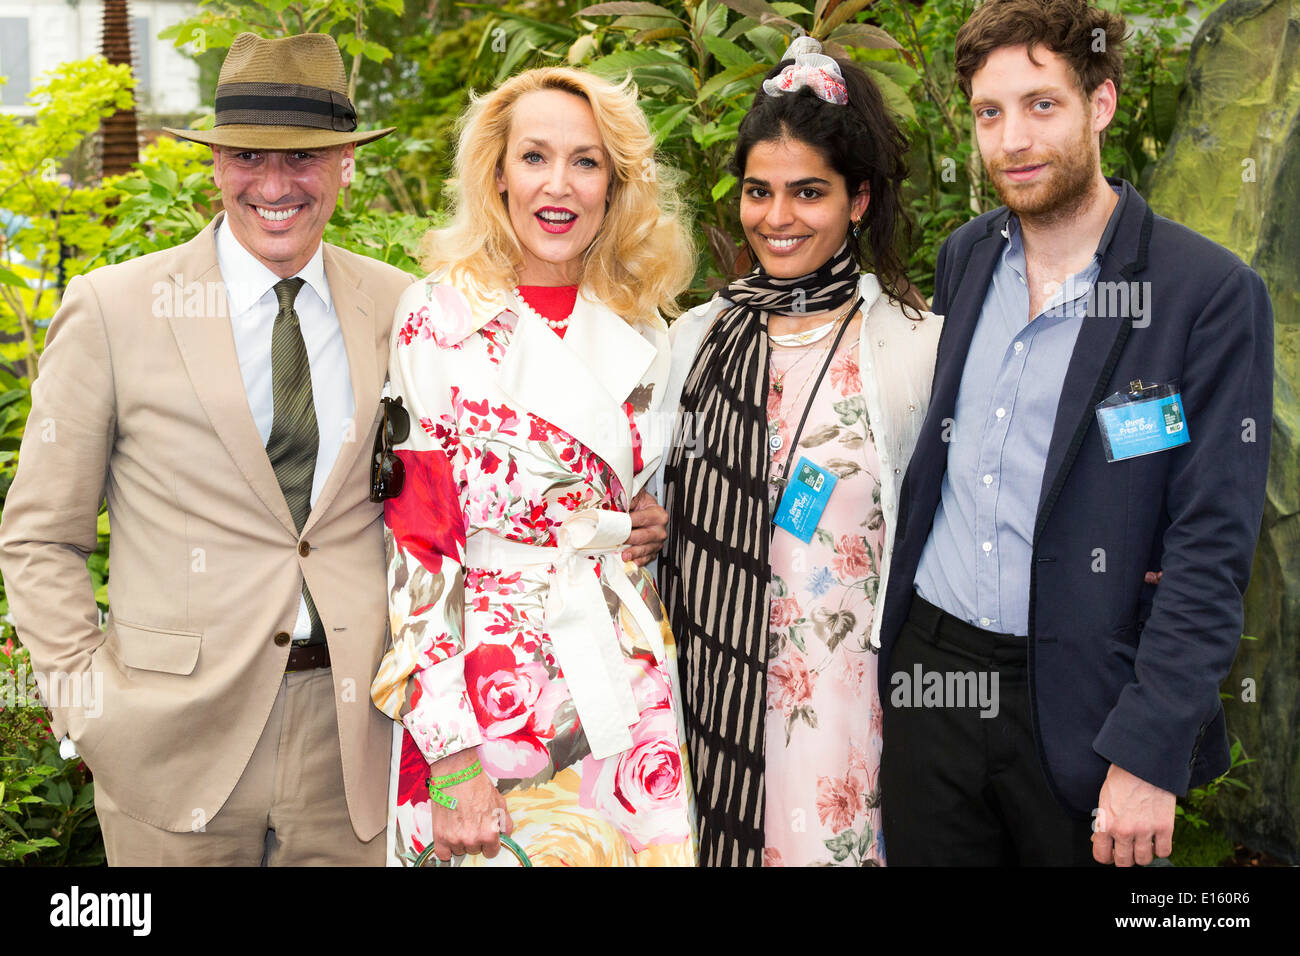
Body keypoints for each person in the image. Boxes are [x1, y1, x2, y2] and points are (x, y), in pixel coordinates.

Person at [0, 32, 413, 865]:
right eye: (248, 156)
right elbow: (41, 535)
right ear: (215, 161)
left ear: (344, 165)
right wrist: (89, 708)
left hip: (356, 741)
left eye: (303, 159)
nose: (274, 184)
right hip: (166, 745)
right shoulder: (114, 308)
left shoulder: (403, 308)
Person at [878, 0, 1273, 866]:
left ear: (1101, 104)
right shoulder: (966, 257)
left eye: (1042, 104)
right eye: (991, 112)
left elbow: (1211, 548)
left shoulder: (1206, 295)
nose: (1013, 138)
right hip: (934, 677)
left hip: (1088, 699)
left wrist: (1149, 748)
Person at [368, 66, 698, 866]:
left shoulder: (644, 324)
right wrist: (449, 760)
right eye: (535, 157)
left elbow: (626, 492)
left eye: (586, 162)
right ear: (497, 173)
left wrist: (645, 520)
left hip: (625, 674)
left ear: (616, 185)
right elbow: (419, 547)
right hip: (486, 695)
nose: (559, 185)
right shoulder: (437, 317)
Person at [657, 37, 942, 867]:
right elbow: (643, 489)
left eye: (807, 193)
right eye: (759, 191)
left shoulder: (913, 350)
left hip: (847, 719)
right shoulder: (695, 340)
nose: (776, 218)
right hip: (706, 703)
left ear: (858, 200)